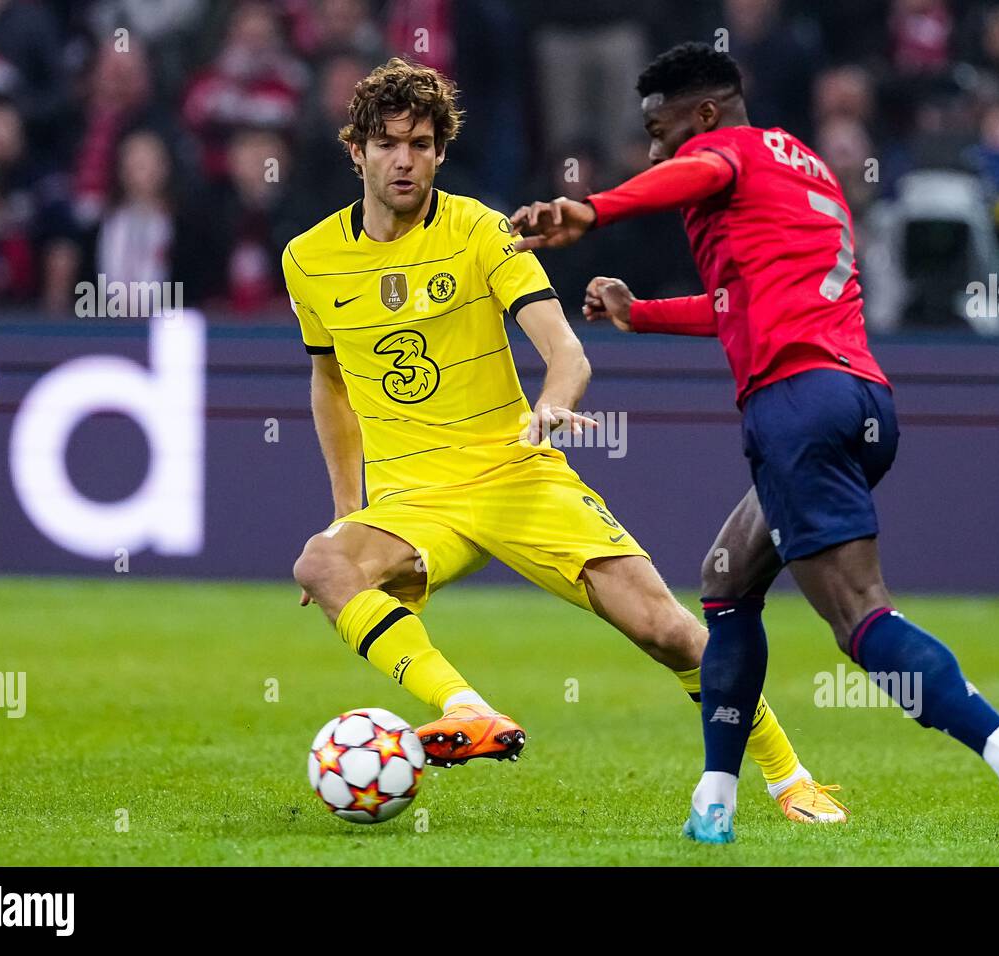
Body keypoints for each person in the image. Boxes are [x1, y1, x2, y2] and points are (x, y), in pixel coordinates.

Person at [511, 42, 999, 850]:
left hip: (794, 404)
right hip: (858, 396)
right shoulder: (803, 163)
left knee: (858, 615)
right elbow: (742, 299)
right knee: (727, 580)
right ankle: (715, 803)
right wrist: (644, 314)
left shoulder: (720, 153)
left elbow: (694, 173)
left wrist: (593, 209)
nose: (657, 148)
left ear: (703, 114)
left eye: (661, 129)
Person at [283, 58, 843, 823]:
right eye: (386, 145)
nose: (404, 159)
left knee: (666, 629)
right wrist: (349, 510)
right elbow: (331, 385)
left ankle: (792, 780)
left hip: (516, 472)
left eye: (419, 143)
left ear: (441, 152)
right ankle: (467, 709)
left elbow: (569, 353)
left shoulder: (483, 231)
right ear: (357, 151)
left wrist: (550, 406)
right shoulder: (309, 260)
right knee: (321, 560)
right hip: (415, 498)